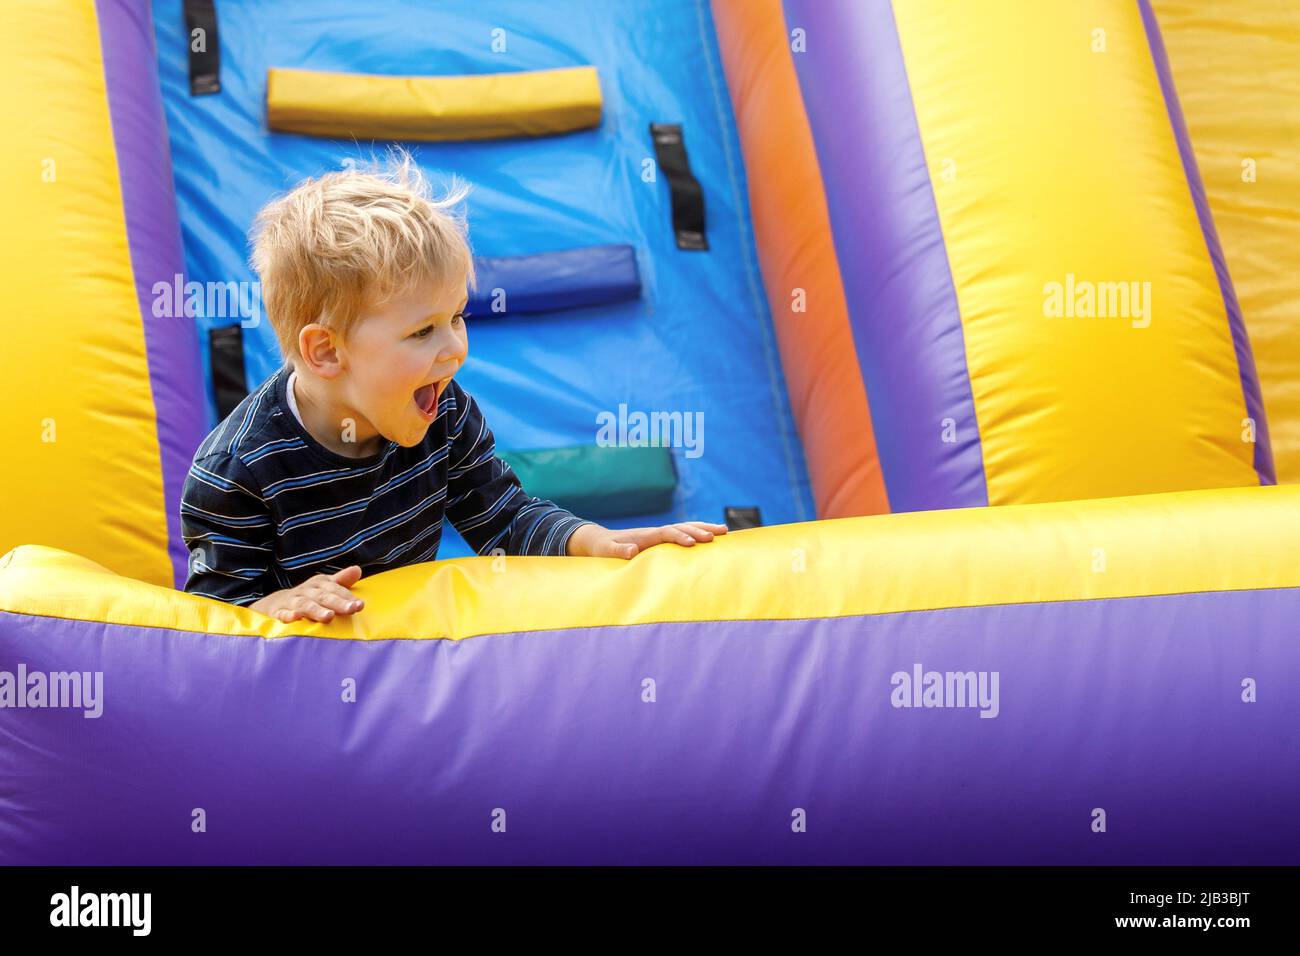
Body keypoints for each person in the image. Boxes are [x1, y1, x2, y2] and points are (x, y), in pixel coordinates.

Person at [180, 153, 725, 623]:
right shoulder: (239, 472)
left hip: (407, 641)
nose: (455, 349)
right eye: (422, 331)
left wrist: (598, 541)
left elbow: (503, 518)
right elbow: (212, 616)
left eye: (457, 318)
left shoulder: (443, 413)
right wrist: (276, 604)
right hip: (310, 669)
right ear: (327, 351)